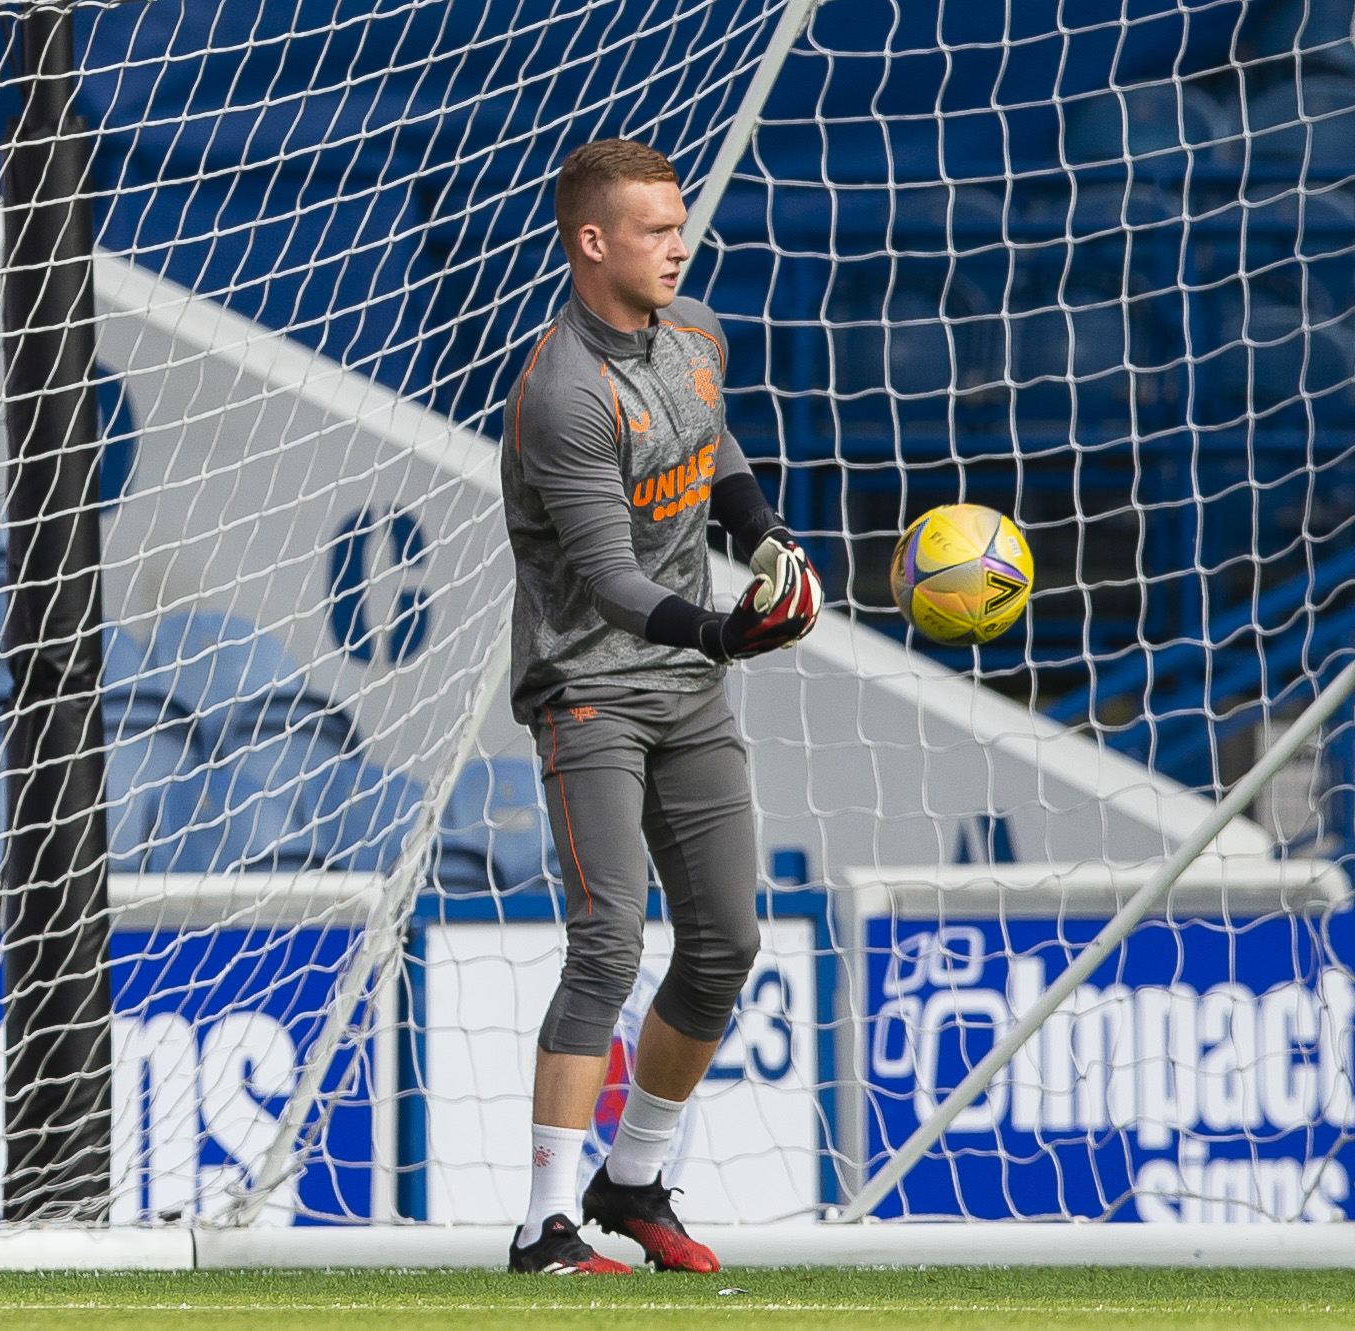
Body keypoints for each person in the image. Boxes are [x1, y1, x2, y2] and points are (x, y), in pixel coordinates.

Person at [498, 137, 822, 1276]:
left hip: (689, 693)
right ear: (593, 243)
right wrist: (729, 627)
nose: (678, 242)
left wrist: (765, 539)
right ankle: (543, 1224)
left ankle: (631, 1177)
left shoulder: (693, 336)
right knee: (607, 943)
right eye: (653, 228)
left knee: (728, 936)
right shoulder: (560, 394)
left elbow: (712, 441)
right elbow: (609, 581)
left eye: (678, 223)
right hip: (590, 690)